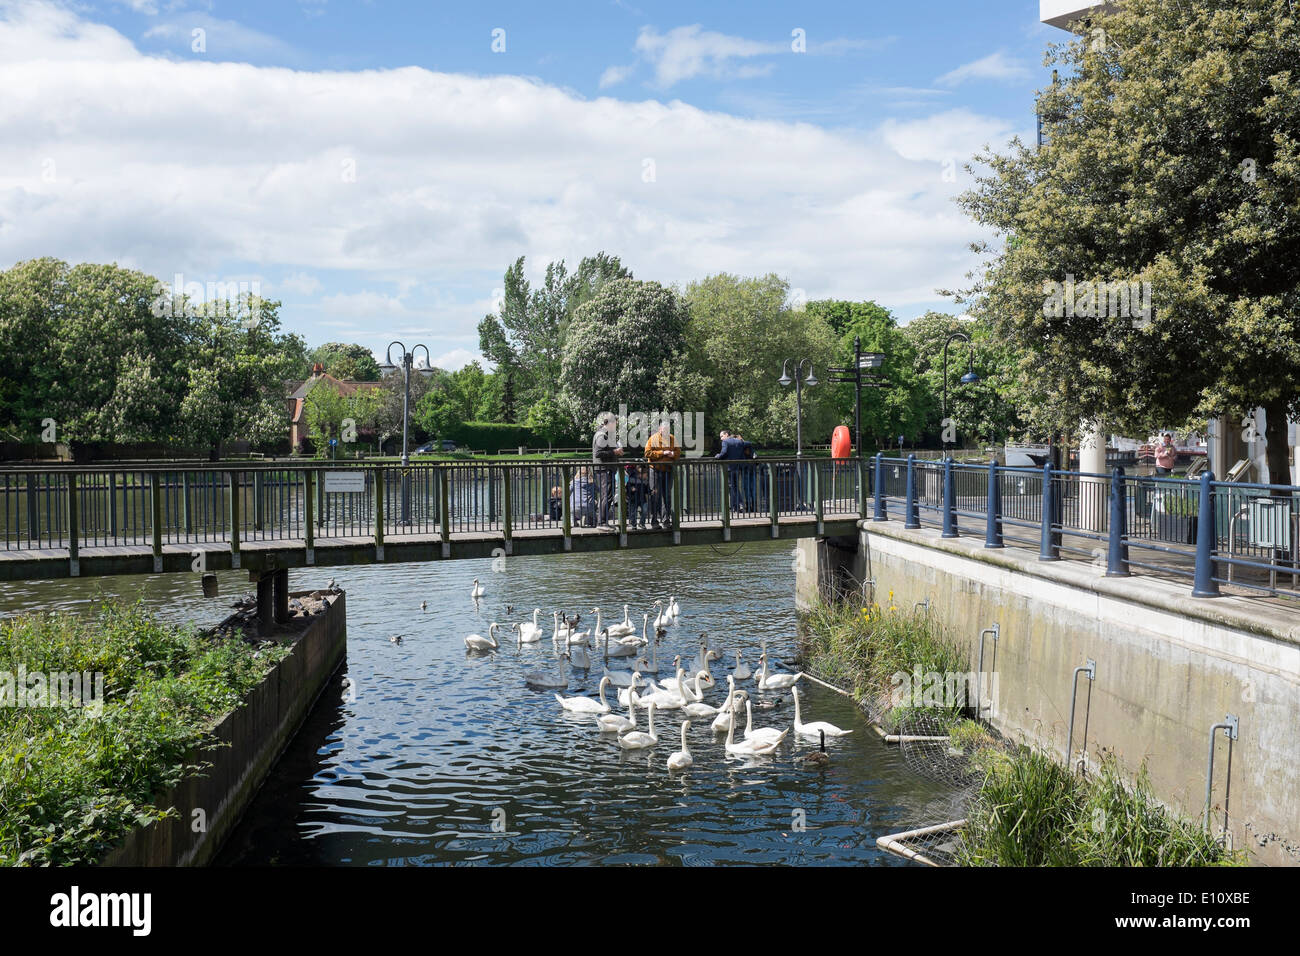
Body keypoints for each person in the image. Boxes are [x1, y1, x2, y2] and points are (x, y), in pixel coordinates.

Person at [644, 420, 680, 529]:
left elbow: (678, 452)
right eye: (664, 430)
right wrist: (663, 453)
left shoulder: (672, 438)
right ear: (660, 429)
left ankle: (666, 520)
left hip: (668, 470)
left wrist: (673, 454)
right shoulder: (653, 439)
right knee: (655, 495)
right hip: (655, 470)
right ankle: (654, 521)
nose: (666, 432)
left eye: (668, 430)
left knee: (667, 496)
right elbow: (647, 453)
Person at [591, 412, 624, 528]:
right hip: (604, 469)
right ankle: (601, 522)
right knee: (606, 495)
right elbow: (598, 453)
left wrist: (617, 451)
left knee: (607, 495)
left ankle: (603, 521)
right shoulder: (602, 435)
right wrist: (615, 452)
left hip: (607, 468)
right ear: (609, 423)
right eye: (615, 423)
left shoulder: (606, 434)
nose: (616, 425)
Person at [714, 429, 747, 512]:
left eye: (722, 436)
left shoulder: (725, 442)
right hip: (737, 467)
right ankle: (735, 506)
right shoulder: (739, 441)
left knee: (732, 487)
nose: (721, 438)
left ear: (726, 435)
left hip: (729, 468)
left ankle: (739, 504)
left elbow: (724, 453)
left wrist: (718, 456)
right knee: (734, 486)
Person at [626, 464, 651, 529]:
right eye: (645, 474)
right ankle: (633, 524)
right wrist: (631, 488)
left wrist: (651, 492)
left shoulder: (645, 481)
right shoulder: (632, 478)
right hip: (633, 499)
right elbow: (627, 487)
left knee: (645, 510)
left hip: (642, 499)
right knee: (633, 512)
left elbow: (647, 489)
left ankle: (642, 523)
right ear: (640, 474)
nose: (646, 476)